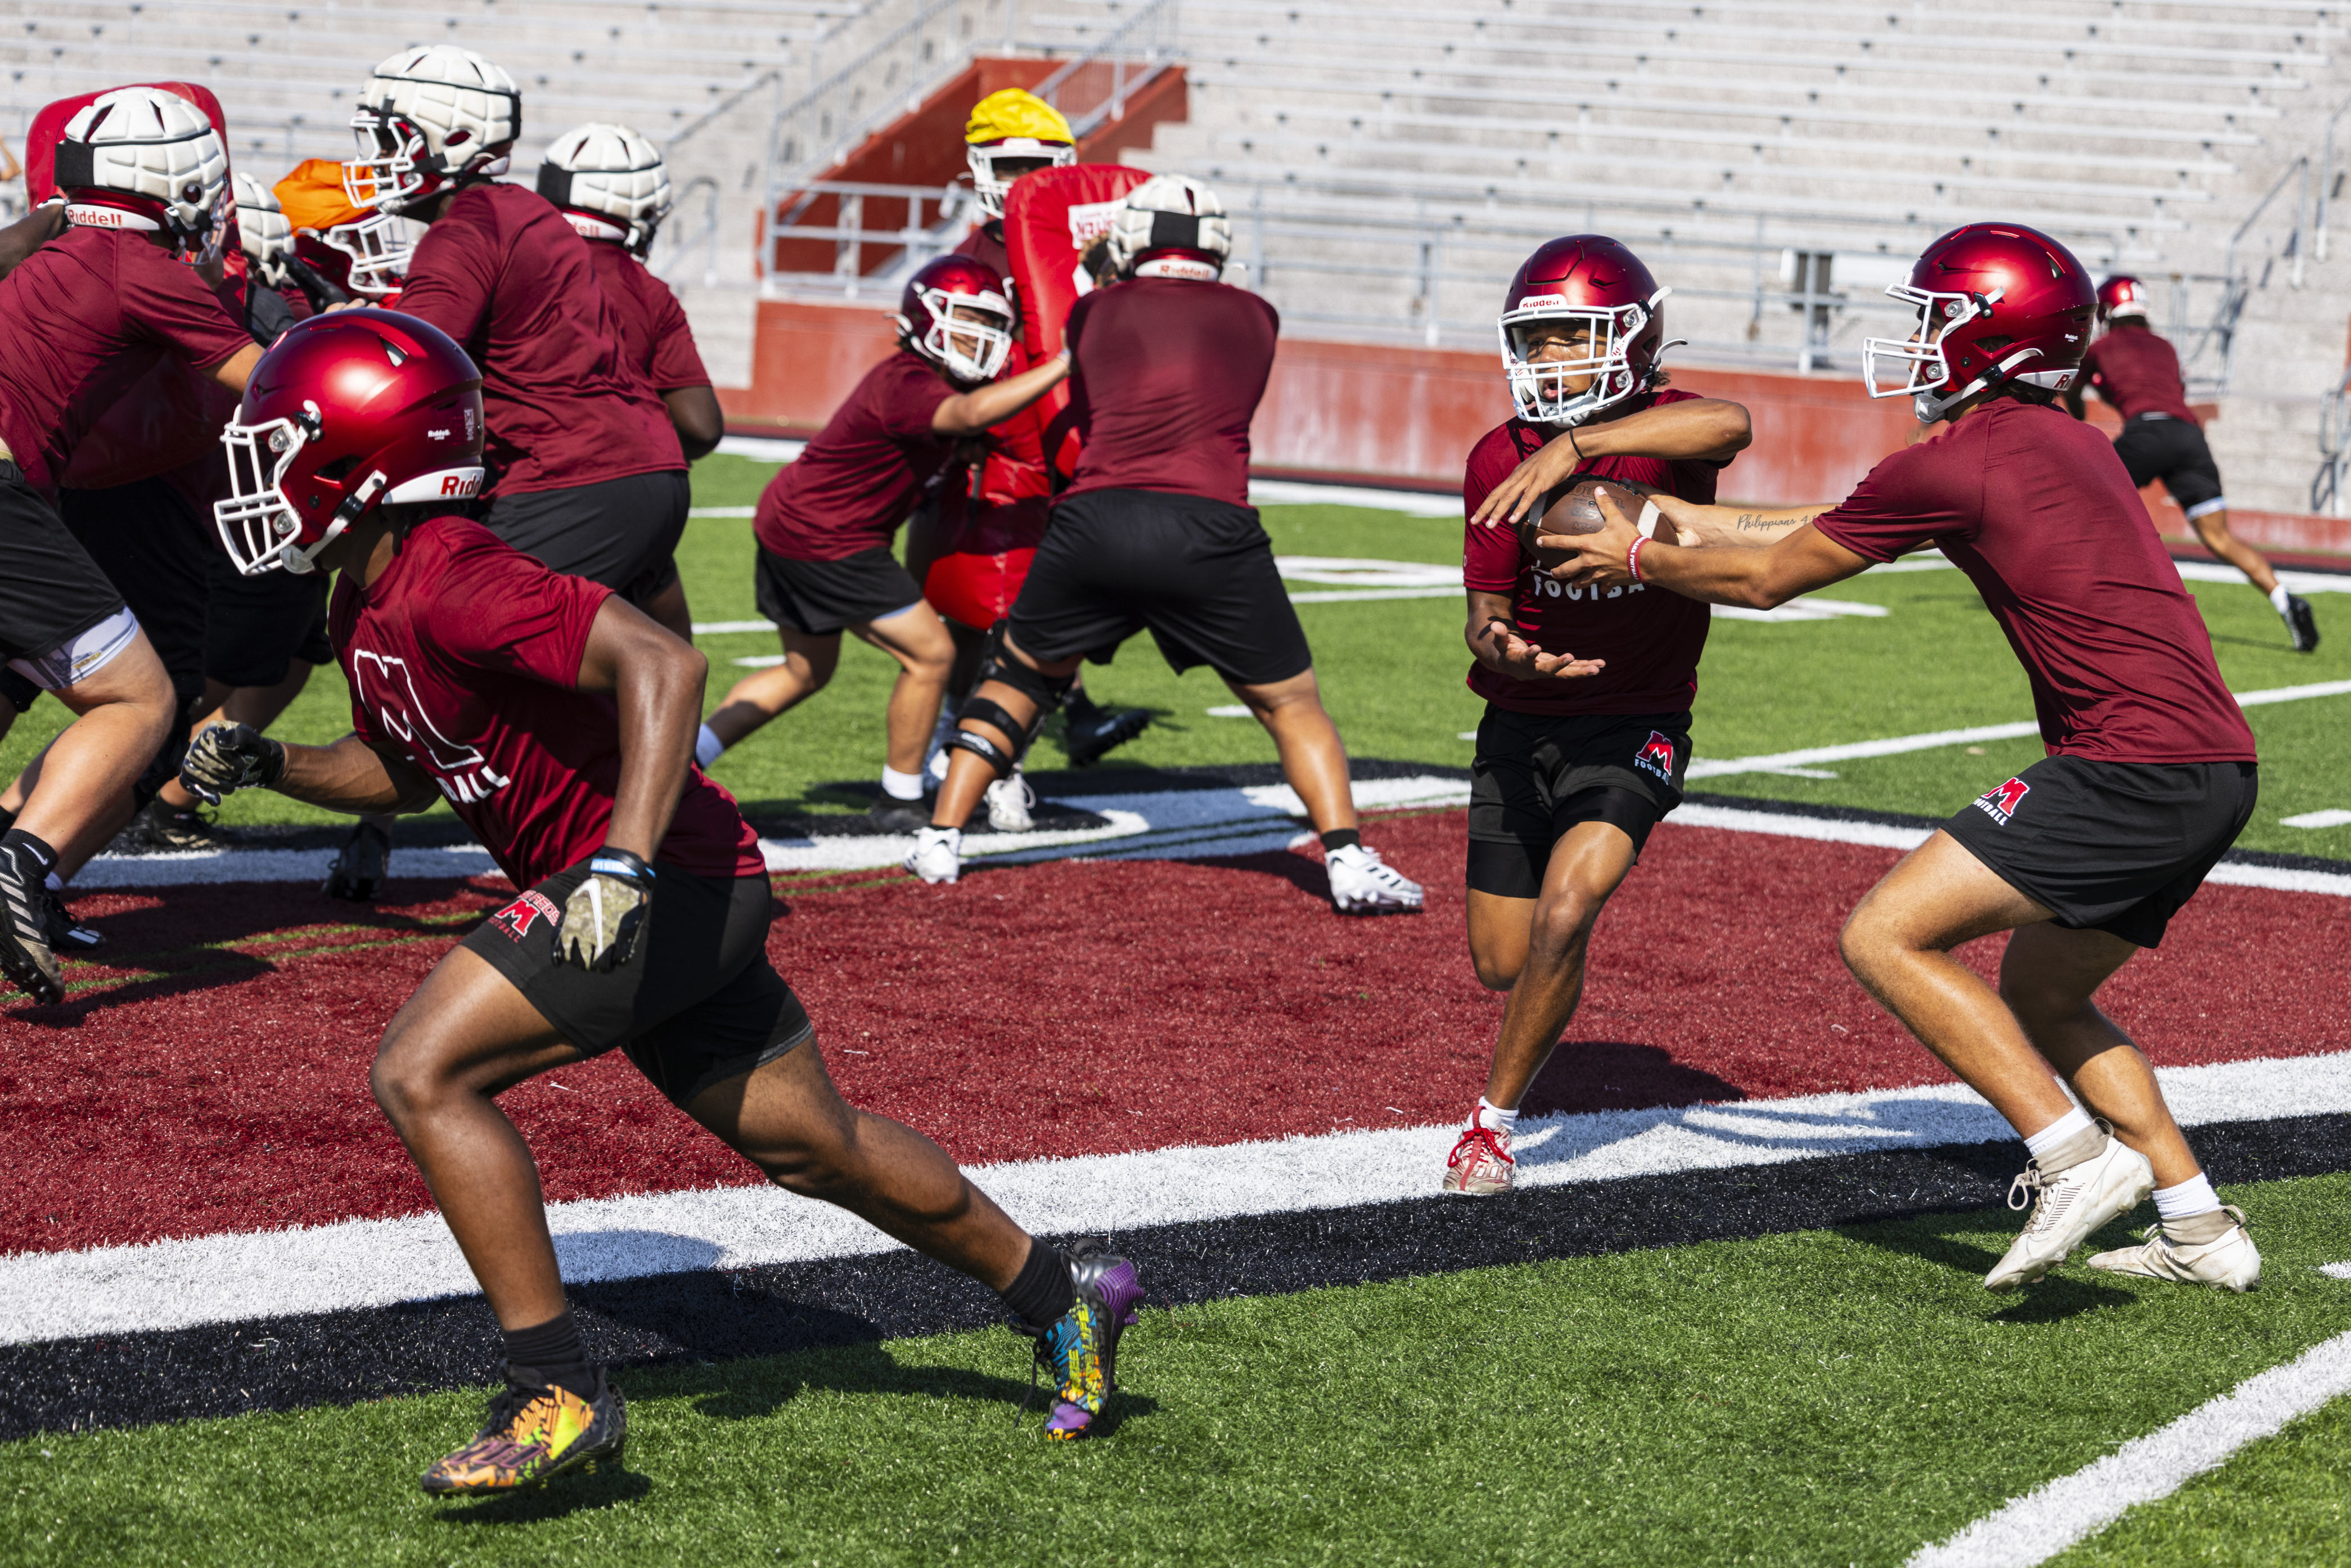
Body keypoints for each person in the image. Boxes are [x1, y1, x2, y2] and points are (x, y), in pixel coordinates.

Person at [188, 309, 1145, 1490]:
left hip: (656, 882)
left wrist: (621, 863)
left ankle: (558, 1389)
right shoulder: (370, 598)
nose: (259, 471)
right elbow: (405, 763)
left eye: (281, 443)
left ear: (363, 461)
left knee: (423, 1071)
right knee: (816, 1146)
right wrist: (271, 763)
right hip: (665, 882)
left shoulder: (458, 577)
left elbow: (665, 664)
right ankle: (1065, 1292)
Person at [1548, 223, 2263, 1294]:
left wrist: (1641, 552)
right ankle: (2202, 1226)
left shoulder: (1961, 458)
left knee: (1886, 934)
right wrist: (1678, 514)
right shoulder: (2059, 439)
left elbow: (1767, 579)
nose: (1920, 342)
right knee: (2047, 993)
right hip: (2215, 766)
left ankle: (2072, 1158)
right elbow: (1827, 522)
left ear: (1993, 334)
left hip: (2128, 764)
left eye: (1937, 320)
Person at [912, 175, 1425, 914]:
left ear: (1131, 243)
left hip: (1096, 517)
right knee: (1290, 704)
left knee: (1019, 677)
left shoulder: (1091, 314)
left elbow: (1090, 373)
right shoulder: (1257, 315)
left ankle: (940, 840)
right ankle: (1345, 856)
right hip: (1207, 524)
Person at [1440, 236, 1751, 1195]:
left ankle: (1490, 1129)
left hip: (1637, 715)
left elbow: (1731, 422)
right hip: (1518, 721)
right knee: (1503, 959)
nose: (1547, 361)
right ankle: (1545, 994)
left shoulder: (1663, 424)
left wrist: (1581, 445)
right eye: (1533, 342)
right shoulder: (1499, 451)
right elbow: (1483, 612)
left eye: (1570, 337)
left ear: (1629, 337)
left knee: (1567, 912)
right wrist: (1504, 648)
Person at [0, 86, 264, 1002]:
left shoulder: (53, 250)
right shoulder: (135, 264)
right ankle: (21, 865)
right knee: (143, 699)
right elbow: (269, 382)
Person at [699, 255, 1071, 831]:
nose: (985, 338)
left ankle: (687, 758)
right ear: (928, 318)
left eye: (994, 324)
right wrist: (1063, 365)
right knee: (932, 654)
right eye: (971, 319)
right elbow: (968, 414)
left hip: (795, 522)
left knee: (804, 671)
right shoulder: (910, 382)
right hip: (829, 537)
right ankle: (899, 798)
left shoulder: (921, 383)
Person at [341, 47, 693, 642]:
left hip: (565, 480)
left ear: (452, 139)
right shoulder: (524, 211)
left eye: (390, 142)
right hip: (644, 474)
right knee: (588, 705)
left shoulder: (463, 231)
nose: (375, 162)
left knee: (451, 666)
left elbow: (407, 376)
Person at [928, 88, 1151, 787]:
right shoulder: (971, 261)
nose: (1025, 183)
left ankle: (1019, 734)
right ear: (977, 169)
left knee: (1049, 603)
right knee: (981, 614)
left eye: (1039, 166)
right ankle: (963, 744)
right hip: (992, 455)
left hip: (1063, 445)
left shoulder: (1080, 244)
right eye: (1012, 166)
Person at [2067, 276, 2316, 654]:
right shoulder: (2165, 347)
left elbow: (2074, 391)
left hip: (2148, 432)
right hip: (2189, 436)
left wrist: (2083, 413)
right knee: (2220, 537)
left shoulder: (2103, 347)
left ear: (2108, 310)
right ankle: (2285, 600)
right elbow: (2167, 393)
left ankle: (2083, 601)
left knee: (2081, 505)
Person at [537, 123, 724, 464]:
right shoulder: (648, 291)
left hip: (518, 477)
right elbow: (702, 427)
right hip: (624, 481)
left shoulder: (501, 260)